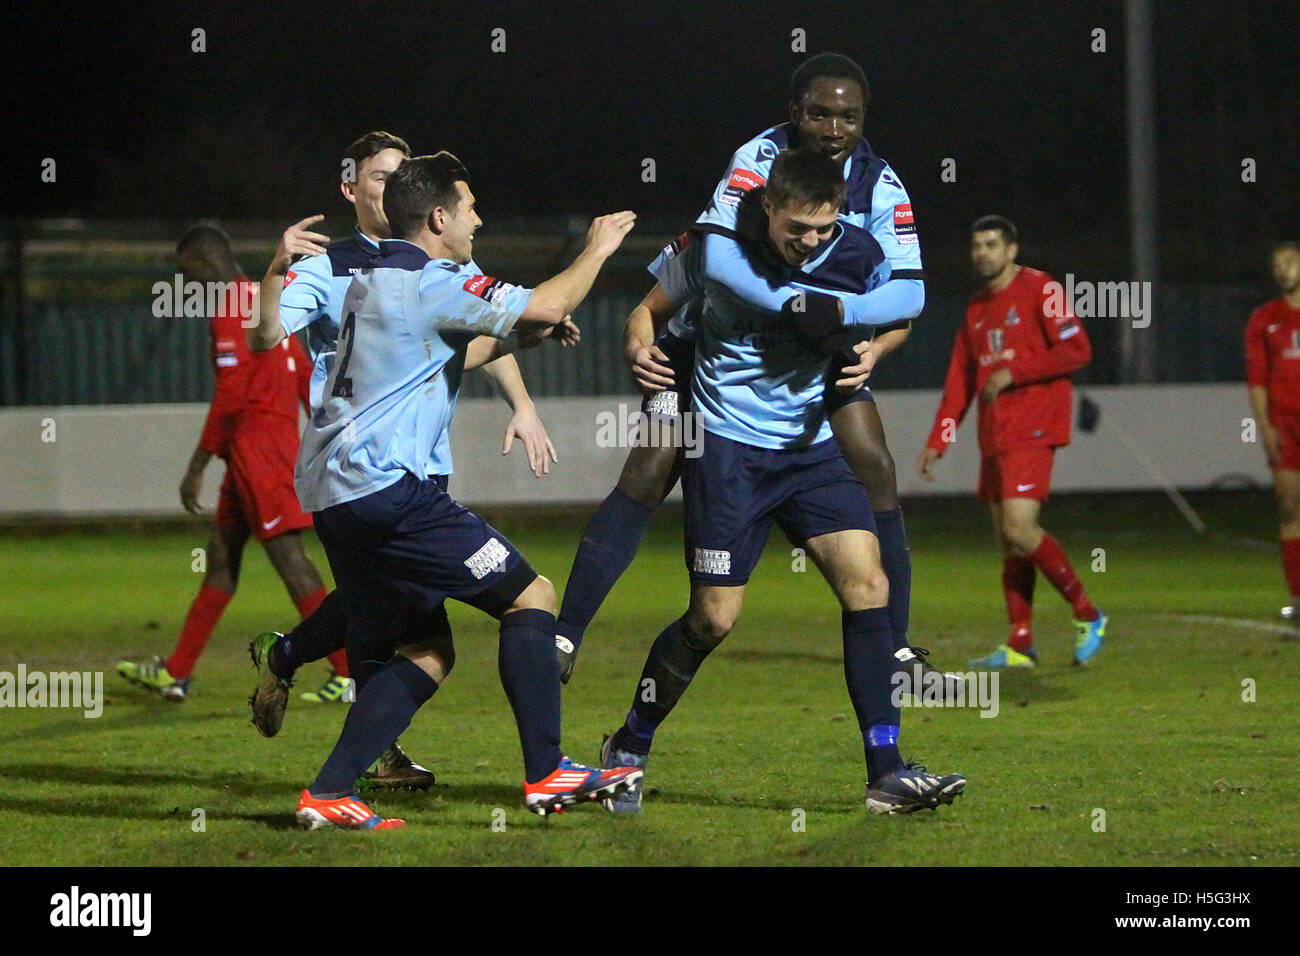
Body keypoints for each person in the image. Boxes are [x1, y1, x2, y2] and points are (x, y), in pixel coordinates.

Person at [555, 53, 954, 699]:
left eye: (847, 115)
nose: (832, 126)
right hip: (708, 351)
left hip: (812, 353)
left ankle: (898, 649)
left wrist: (866, 340)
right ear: (794, 115)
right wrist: (639, 327)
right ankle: (564, 635)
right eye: (819, 112)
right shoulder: (756, 165)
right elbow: (692, 266)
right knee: (654, 465)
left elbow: (905, 298)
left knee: (874, 461)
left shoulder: (882, 189)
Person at [268, 152, 641, 828]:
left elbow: (446, 351)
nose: (479, 218)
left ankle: (328, 791)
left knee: (427, 651)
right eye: (470, 208)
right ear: (440, 218)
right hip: (387, 489)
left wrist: (523, 338)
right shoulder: (434, 281)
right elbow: (549, 299)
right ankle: (549, 772)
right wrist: (597, 249)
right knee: (531, 596)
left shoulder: (373, 278)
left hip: (332, 492)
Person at [599, 149, 967, 815]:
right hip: (729, 452)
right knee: (714, 619)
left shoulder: (852, 251)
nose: (810, 242)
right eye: (798, 228)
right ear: (767, 207)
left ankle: (885, 770)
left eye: (823, 229)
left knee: (869, 583)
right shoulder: (727, 248)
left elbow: (908, 298)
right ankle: (628, 743)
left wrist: (861, 334)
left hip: (811, 450)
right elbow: (673, 293)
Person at [244, 132, 559, 789]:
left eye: (401, 175)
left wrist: (522, 404)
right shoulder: (326, 268)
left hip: (421, 457)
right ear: (350, 189)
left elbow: (475, 332)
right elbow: (268, 332)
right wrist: (272, 277)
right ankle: (375, 760)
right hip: (366, 464)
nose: (392, 186)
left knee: (378, 605)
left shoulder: (430, 265)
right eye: (380, 176)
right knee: (397, 617)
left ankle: (292, 662)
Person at [116, 225, 328, 701]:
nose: (185, 281)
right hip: (255, 453)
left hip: (257, 453)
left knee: (290, 559)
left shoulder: (232, 307)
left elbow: (230, 398)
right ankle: (177, 671)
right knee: (221, 559)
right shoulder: (266, 297)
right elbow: (302, 370)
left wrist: (196, 466)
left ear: (207, 262)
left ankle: (350, 672)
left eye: (186, 270)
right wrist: (322, 430)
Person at [918, 215, 1106, 668]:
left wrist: (1015, 371)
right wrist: (939, 440)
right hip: (995, 435)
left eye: (991, 244)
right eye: (976, 245)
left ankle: (1087, 611)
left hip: (1034, 427)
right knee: (1008, 541)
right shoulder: (976, 308)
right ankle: (1021, 640)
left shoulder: (1042, 290)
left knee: (1020, 528)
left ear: (1012, 250)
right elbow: (959, 385)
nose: (982, 253)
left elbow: (1077, 349)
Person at [1244, 241, 1300, 618]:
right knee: (1288, 506)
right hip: (1285, 423)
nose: (1282, 269)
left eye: (1289, 262)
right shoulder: (1264, 318)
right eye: (1277, 263)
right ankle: (1298, 598)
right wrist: (1264, 425)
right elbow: (1258, 378)